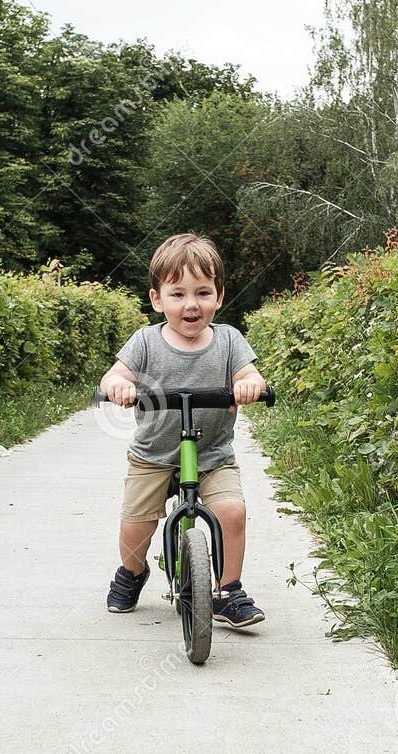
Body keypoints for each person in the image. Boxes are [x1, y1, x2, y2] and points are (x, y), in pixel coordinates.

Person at [97, 233, 268, 628]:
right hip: (153, 455)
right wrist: (119, 386)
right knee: (136, 523)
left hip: (212, 456)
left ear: (219, 296)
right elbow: (115, 374)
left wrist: (249, 384)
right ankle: (132, 572)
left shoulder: (229, 340)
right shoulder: (145, 341)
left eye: (202, 292)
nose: (191, 304)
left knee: (233, 512)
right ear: (157, 299)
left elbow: (250, 374)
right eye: (177, 294)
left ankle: (227, 590)